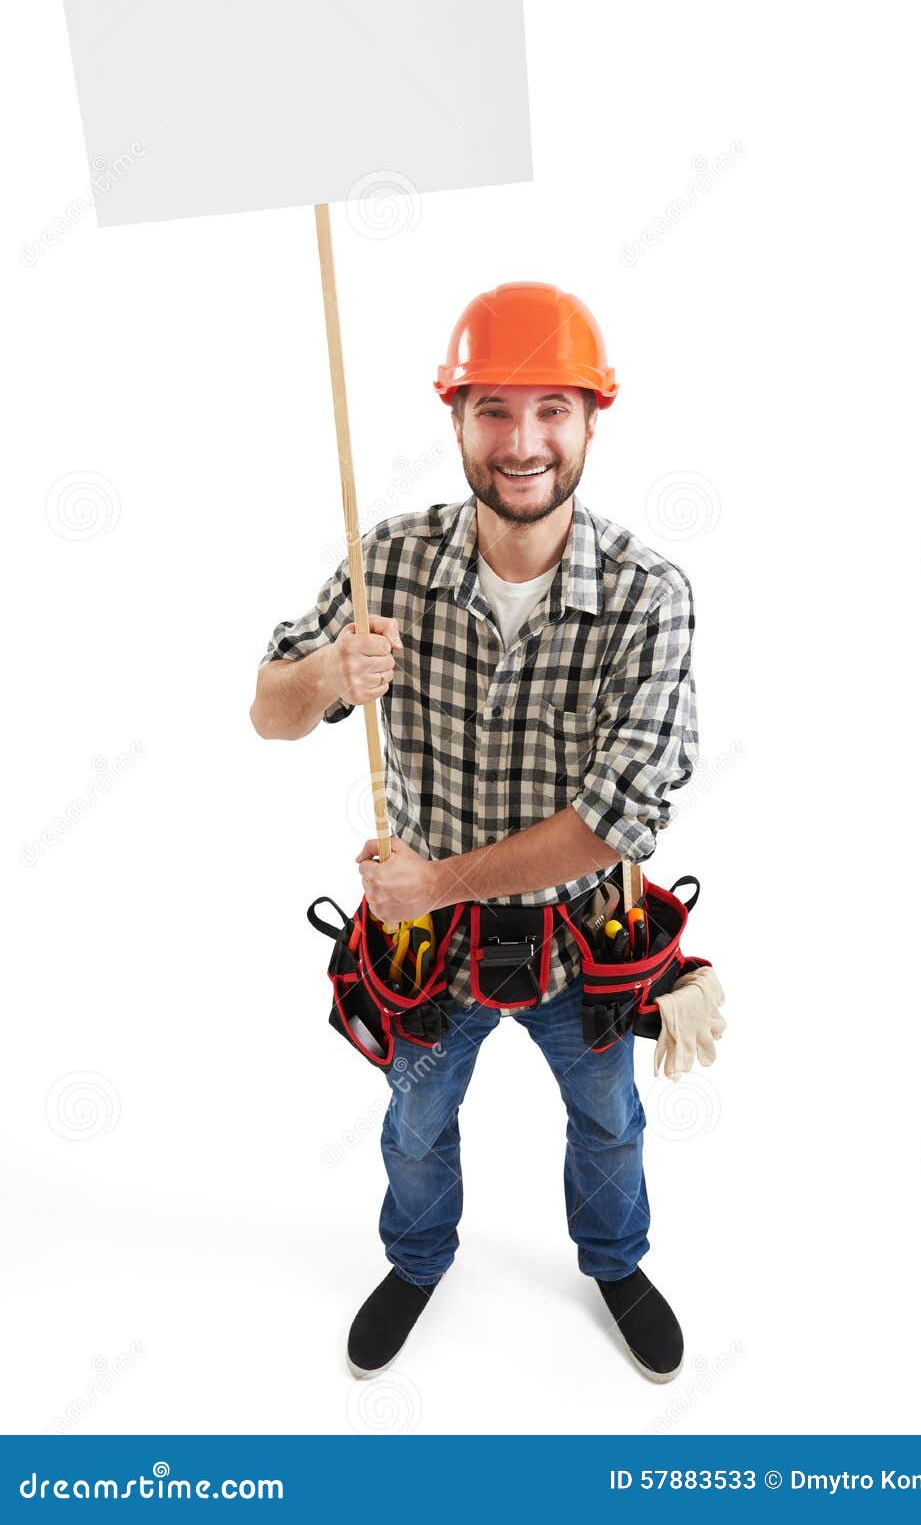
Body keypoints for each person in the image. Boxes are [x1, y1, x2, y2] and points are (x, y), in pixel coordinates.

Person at [250, 282, 702, 1384]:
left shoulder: (651, 597)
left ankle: (614, 1259)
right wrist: (324, 672)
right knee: (414, 1127)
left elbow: (619, 816)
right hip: (427, 958)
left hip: (580, 945)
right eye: (494, 408)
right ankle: (416, 1259)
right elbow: (270, 709)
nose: (523, 440)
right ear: (454, 417)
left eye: (552, 408)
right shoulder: (389, 563)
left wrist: (440, 878)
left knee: (609, 1121)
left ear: (594, 419)